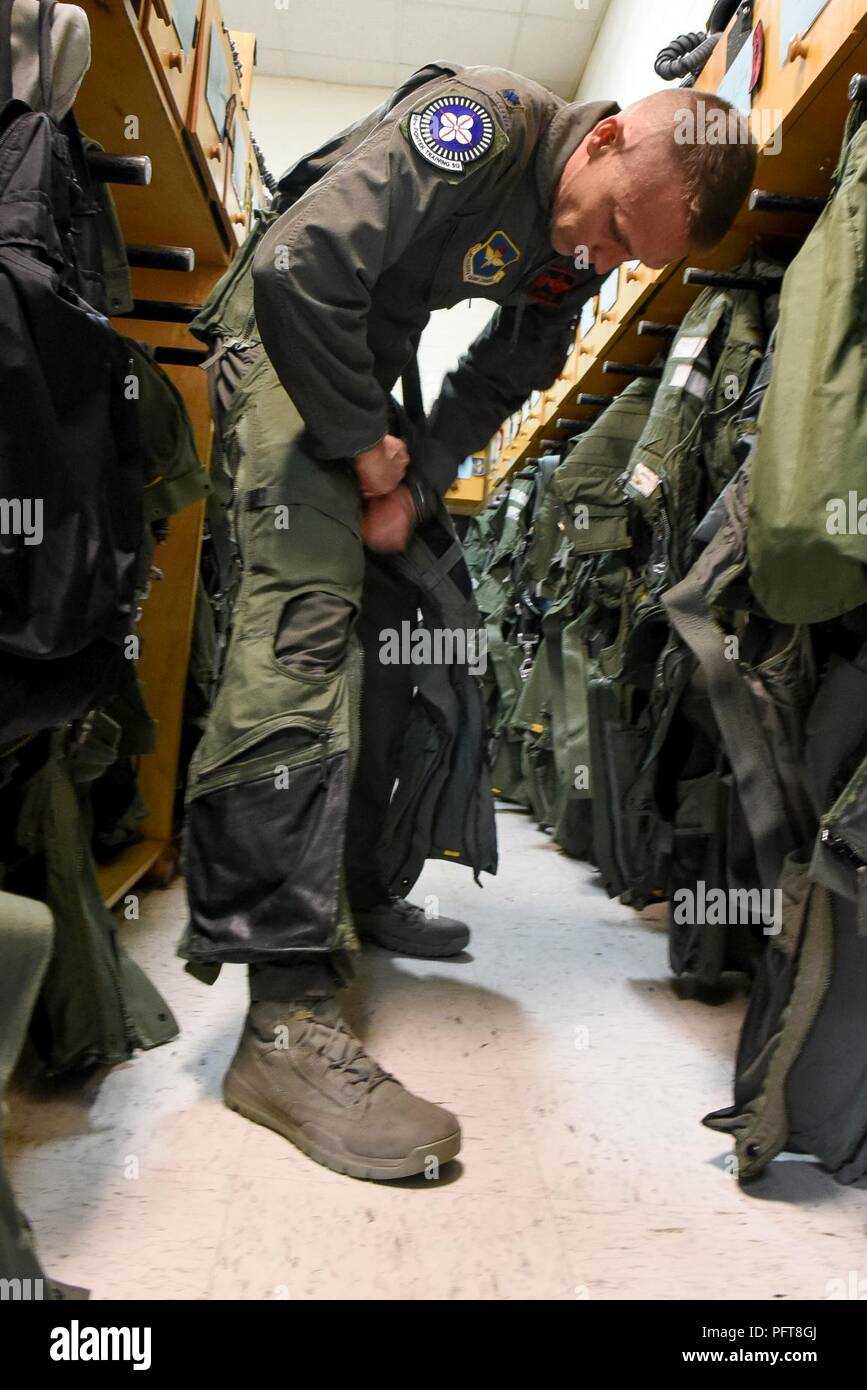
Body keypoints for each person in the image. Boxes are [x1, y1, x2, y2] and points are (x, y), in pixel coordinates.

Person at [181, 64, 757, 1181]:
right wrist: (362, 450)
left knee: (415, 619)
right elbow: (304, 268)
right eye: (619, 232)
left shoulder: (584, 239)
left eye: (639, 260)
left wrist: (415, 481)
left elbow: (502, 377)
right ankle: (281, 1014)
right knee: (302, 622)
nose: (607, 263)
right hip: (286, 331)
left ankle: (354, 888)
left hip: (362, 372)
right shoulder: (480, 129)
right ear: (599, 146)